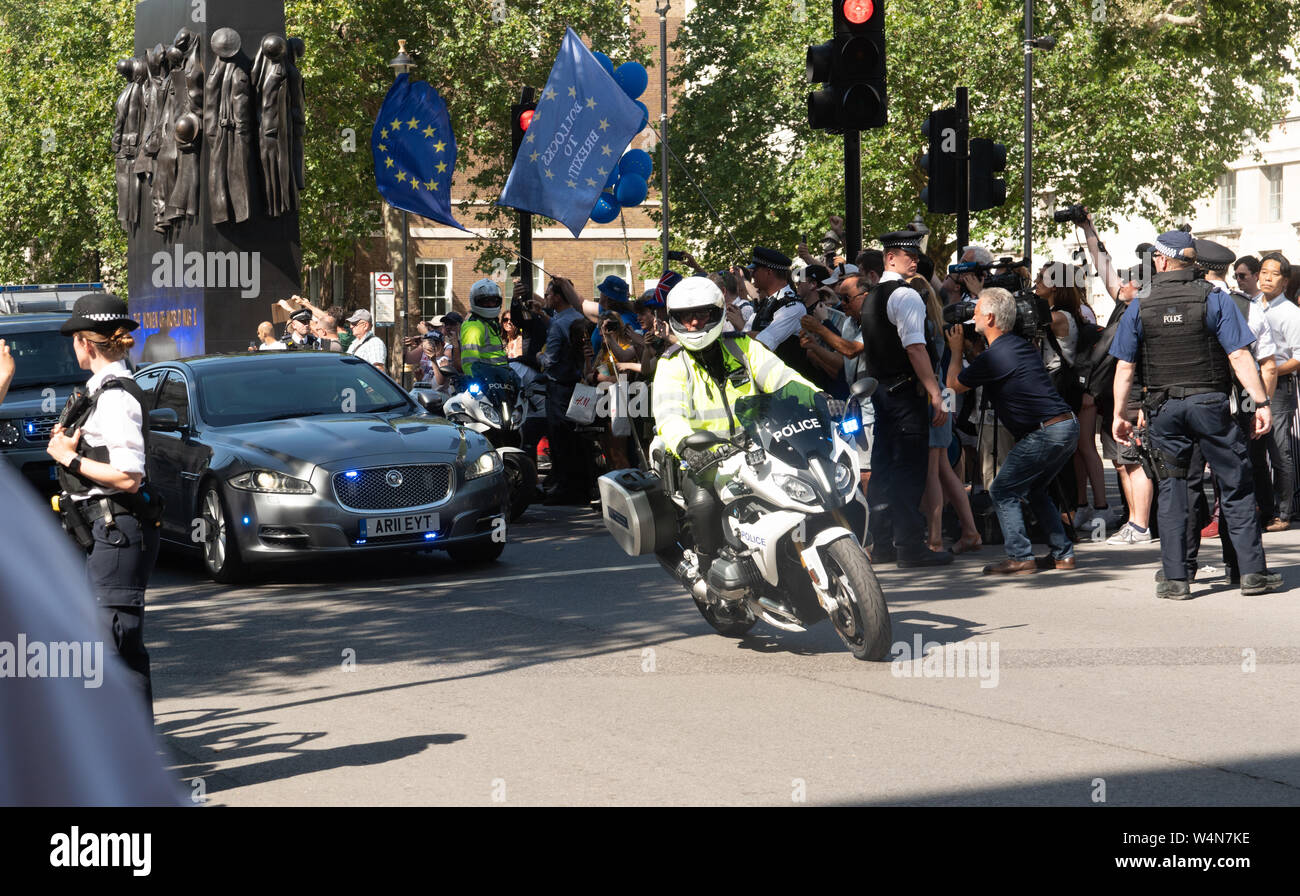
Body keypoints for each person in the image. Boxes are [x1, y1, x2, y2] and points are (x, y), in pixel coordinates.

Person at [1109, 231, 1280, 599]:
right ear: (1193, 261)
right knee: (1235, 483)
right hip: (1210, 405)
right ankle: (1251, 573)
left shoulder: (1141, 303)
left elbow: (1125, 366)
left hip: (1164, 409)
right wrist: (1261, 403)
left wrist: (1120, 414)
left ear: (1162, 259)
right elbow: (1238, 356)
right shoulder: (1215, 298)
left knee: (1174, 488)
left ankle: (1176, 577)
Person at [652, 277, 817, 603]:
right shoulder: (672, 365)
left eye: (701, 314)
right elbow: (669, 416)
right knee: (703, 502)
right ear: (676, 321)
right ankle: (709, 570)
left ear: (717, 313)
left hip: (758, 446)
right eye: (686, 317)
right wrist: (686, 444)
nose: (694, 322)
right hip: (701, 456)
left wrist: (822, 401)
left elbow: (785, 380)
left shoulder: (743, 347)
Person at [45, 294, 162, 710]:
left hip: (118, 531)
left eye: (74, 340)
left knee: (115, 648)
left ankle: (132, 762)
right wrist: (71, 449)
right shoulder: (99, 393)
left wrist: (69, 457)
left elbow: (129, 477)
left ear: (85, 343)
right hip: (102, 531)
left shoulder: (114, 397)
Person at [943, 287, 1078, 575]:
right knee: (1035, 489)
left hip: (1046, 431)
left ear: (990, 318)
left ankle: (1020, 556)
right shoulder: (1015, 345)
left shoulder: (996, 356)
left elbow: (953, 386)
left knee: (1002, 490)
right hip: (1065, 425)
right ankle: (1063, 554)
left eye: (976, 310)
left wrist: (955, 351)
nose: (972, 315)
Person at [860, 230, 952, 567]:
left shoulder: (871, 296)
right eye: (906, 255)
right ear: (889, 258)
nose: (914, 260)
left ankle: (883, 545)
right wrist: (935, 394)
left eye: (915, 255)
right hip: (905, 395)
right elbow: (915, 348)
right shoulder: (906, 296)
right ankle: (911, 547)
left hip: (882, 393)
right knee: (909, 471)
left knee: (884, 470)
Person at [460, 278, 521, 392]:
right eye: (485, 301)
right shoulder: (474, 326)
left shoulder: (491, 323)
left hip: (500, 380)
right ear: (475, 301)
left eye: (494, 301)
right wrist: (478, 383)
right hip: (485, 384)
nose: (490, 304)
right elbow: (469, 363)